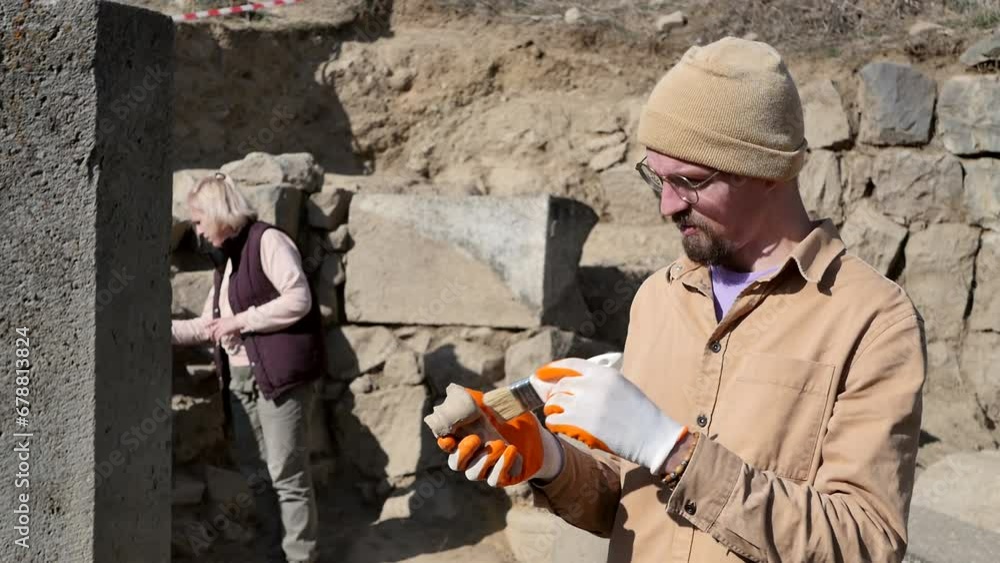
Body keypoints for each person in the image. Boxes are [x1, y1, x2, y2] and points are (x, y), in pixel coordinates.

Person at [429, 37, 925, 563]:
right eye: (656, 178)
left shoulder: (873, 319)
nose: (667, 205)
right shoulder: (658, 298)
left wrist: (673, 450)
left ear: (767, 171)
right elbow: (628, 502)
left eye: (688, 181)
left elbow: (864, 543)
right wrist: (548, 460)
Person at [171, 172, 324, 563]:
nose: (197, 231)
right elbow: (210, 325)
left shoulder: (267, 241)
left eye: (199, 221)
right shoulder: (228, 260)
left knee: (287, 473)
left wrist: (241, 321)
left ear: (218, 212)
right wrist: (155, 330)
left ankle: (301, 557)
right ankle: (275, 552)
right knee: (257, 472)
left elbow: (299, 299)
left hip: (278, 377)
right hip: (241, 379)